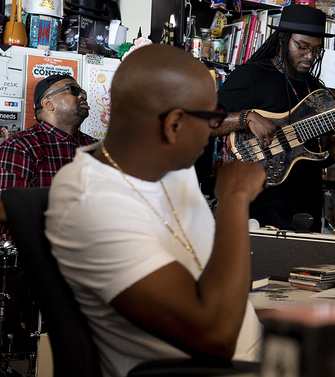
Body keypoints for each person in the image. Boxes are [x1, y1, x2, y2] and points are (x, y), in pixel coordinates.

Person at [45, 44, 266, 377]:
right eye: (211, 116)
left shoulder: (174, 166)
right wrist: (235, 197)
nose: (214, 128)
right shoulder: (89, 201)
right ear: (174, 125)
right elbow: (215, 335)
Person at [206, 4, 335, 230]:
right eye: (302, 47)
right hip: (257, 211)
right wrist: (247, 118)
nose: (309, 56)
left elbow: (325, 155)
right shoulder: (252, 76)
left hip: (306, 210)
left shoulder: (318, 92)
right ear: (283, 39)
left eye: (316, 49)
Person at [0, 74, 95, 246]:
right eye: (73, 90)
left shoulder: (95, 148)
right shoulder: (19, 146)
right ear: (48, 103)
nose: (82, 95)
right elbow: (4, 210)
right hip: (25, 256)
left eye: (82, 91)